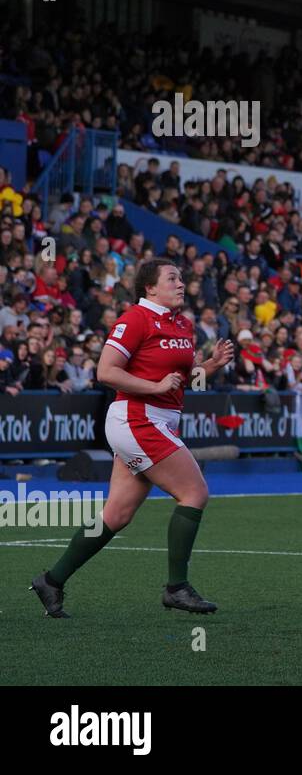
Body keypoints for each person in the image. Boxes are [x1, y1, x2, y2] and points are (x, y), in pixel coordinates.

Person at [31, 259, 235, 618]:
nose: (181, 283)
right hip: (137, 419)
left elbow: (183, 380)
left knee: (117, 514)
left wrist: (213, 365)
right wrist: (155, 386)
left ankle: (52, 580)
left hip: (155, 421)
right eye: (172, 278)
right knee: (195, 493)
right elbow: (106, 371)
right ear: (149, 288)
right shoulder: (136, 318)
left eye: (182, 278)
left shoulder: (182, 324)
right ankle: (176, 587)